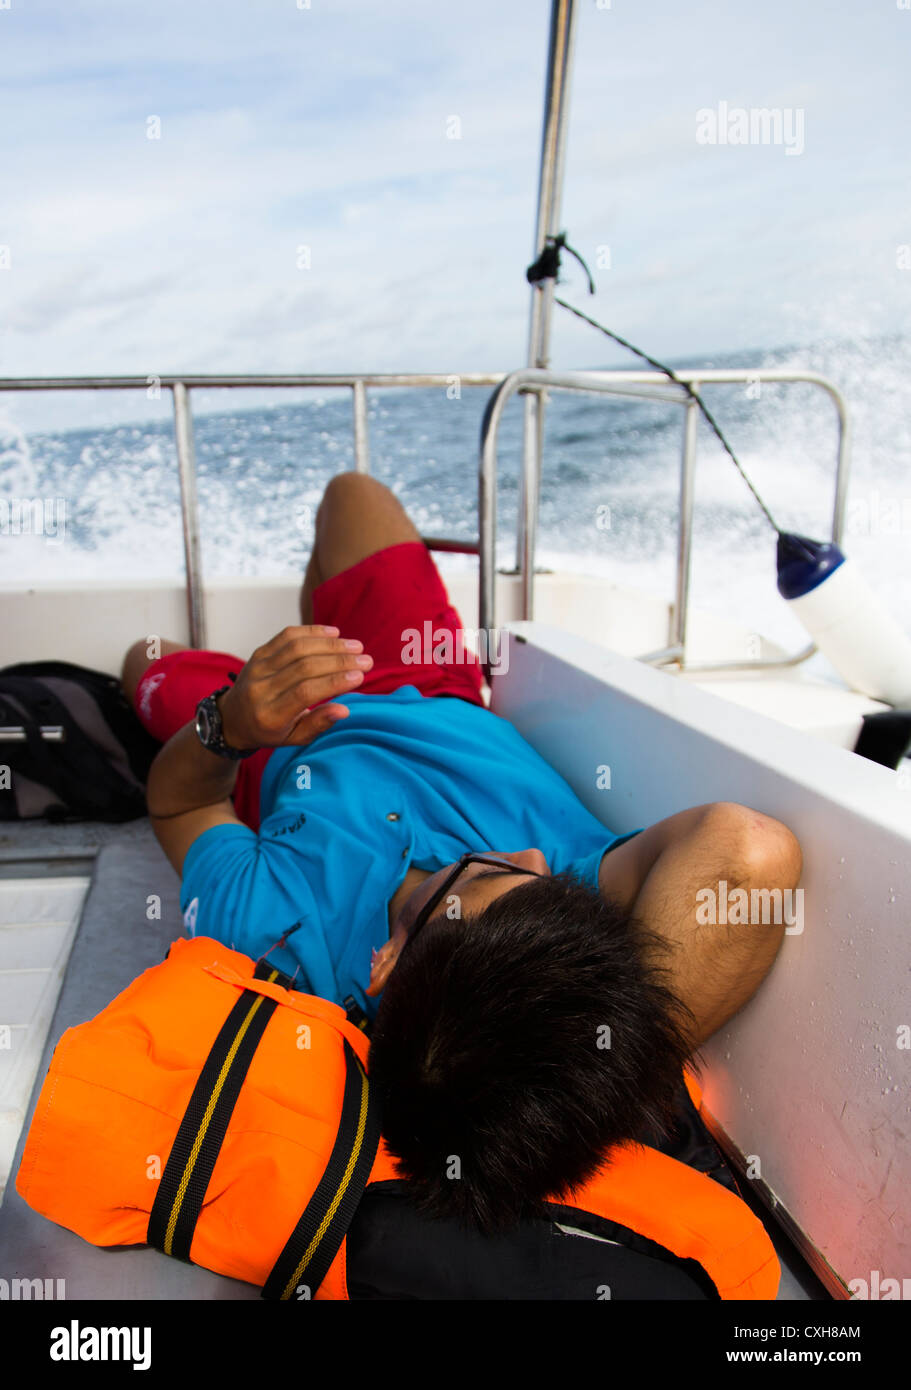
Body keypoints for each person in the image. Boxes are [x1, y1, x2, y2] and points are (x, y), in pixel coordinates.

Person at [123, 472, 801, 1237]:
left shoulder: (270, 926)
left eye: (484, 874)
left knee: (140, 665)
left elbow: (178, 802)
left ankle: (270, 667)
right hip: (430, 684)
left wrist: (233, 721)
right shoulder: (560, 934)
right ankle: (312, 637)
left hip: (267, 746)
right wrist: (608, 1071)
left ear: (385, 964)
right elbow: (751, 852)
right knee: (352, 496)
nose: (533, 854)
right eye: (539, 880)